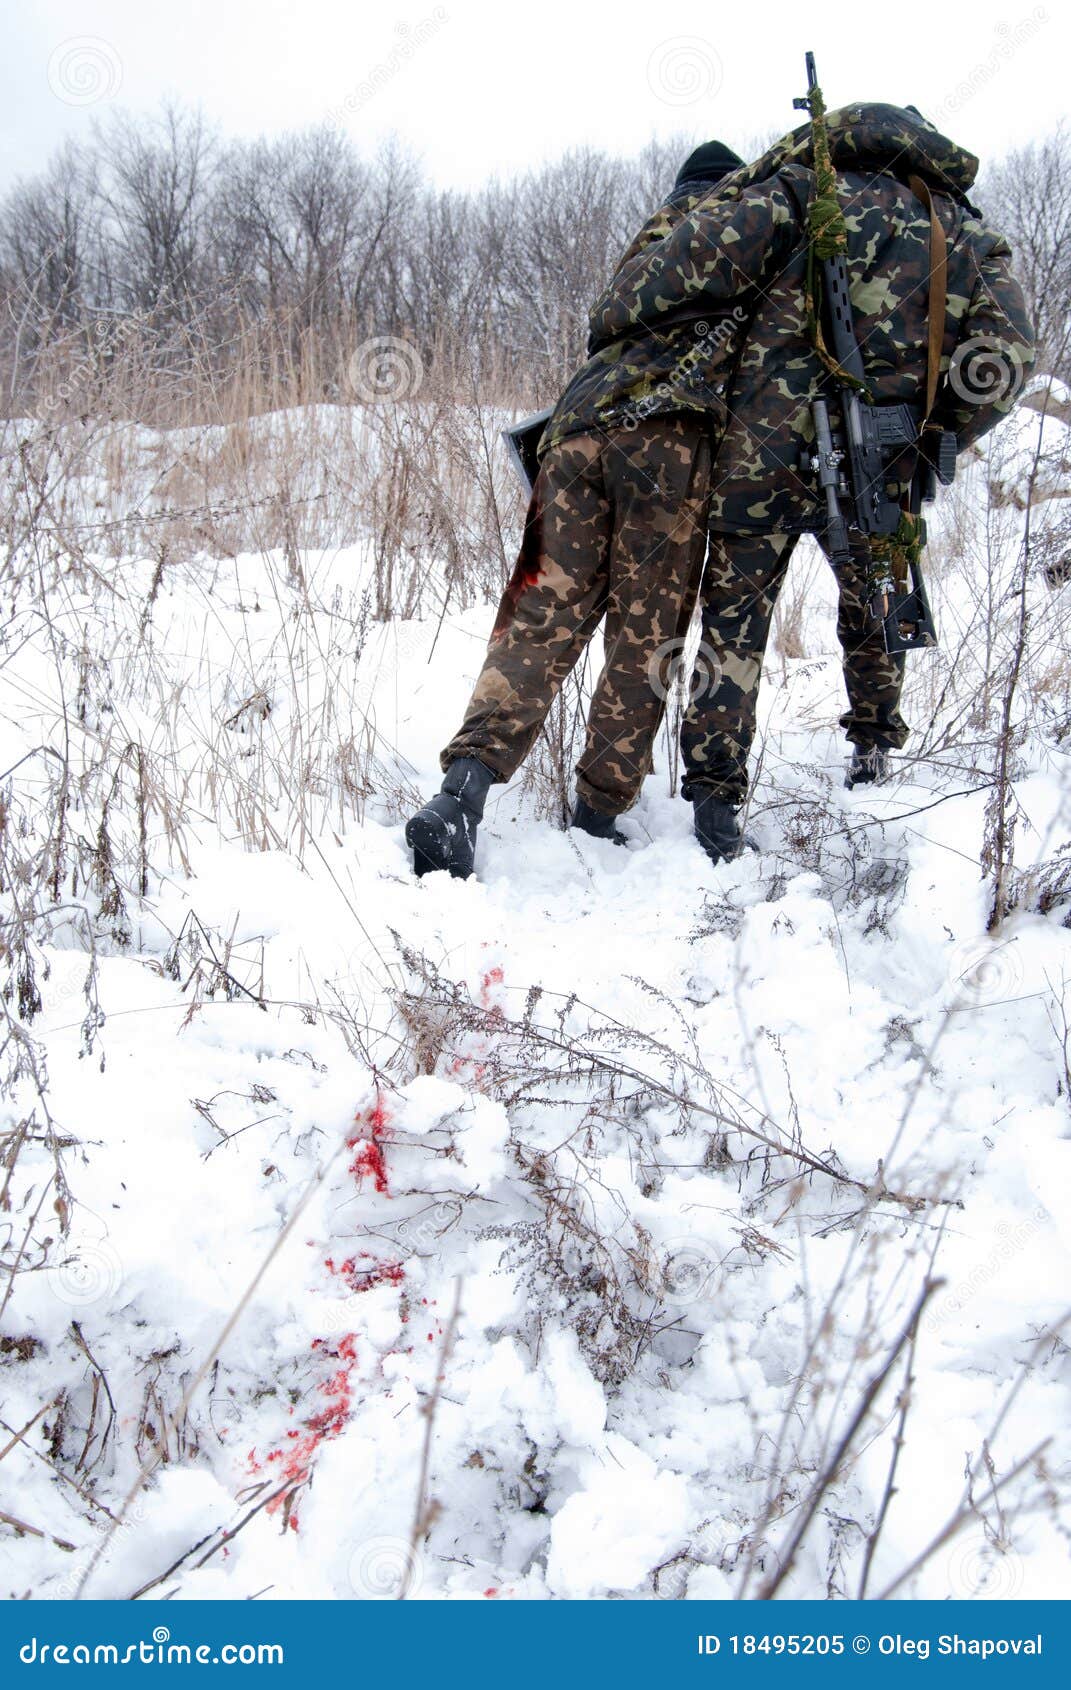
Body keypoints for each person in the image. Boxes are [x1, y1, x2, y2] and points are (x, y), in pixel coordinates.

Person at [587, 102, 1035, 863]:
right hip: (881, 455)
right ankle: (871, 751)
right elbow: (1010, 353)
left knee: (734, 626)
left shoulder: (787, 192)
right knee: (876, 599)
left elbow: (653, 285)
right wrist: (936, 436)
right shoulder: (951, 222)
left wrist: (625, 345)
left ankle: (715, 800)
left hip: (754, 459)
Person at [404, 143, 750, 878]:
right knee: (644, 637)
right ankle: (598, 811)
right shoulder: (750, 234)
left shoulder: (649, 245)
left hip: (573, 432)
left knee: (538, 615)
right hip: (669, 443)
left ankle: (461, 791)